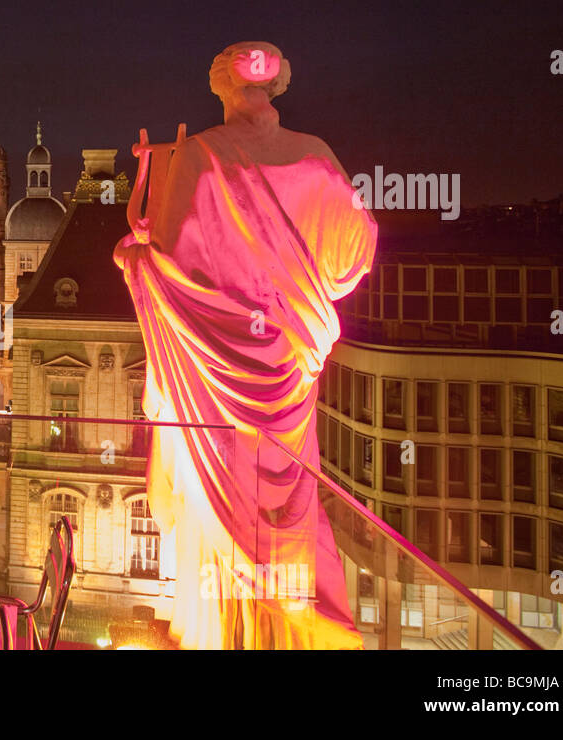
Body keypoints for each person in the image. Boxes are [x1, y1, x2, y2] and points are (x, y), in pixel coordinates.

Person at [114, 43, 376, 648]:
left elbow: (173, 261)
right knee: (291, 507)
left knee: (222, 516)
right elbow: (354, 254)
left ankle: (230, 633)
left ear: (221, 87)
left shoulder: (202, 154)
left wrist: (135, 258)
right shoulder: (317, 156)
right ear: (276, 85)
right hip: (287, 365)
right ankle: (283, 627)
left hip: (217, 381)